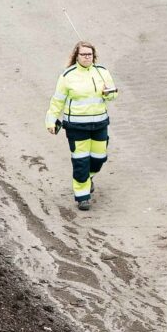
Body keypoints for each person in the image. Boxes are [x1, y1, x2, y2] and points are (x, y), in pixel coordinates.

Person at [45, 41, 118, 211]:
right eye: (83, 54)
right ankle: (82, 197)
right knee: (81, 161)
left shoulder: (102, 72)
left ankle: (87, 178)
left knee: (99, 158)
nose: (87, 57)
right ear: (76, 56)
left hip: (99, 123)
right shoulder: (67, 76)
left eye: (89, 54)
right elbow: (57, 100)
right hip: (77, 126)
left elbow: (113, 95)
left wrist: (110, 93)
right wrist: (51, 120)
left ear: (94, 56)